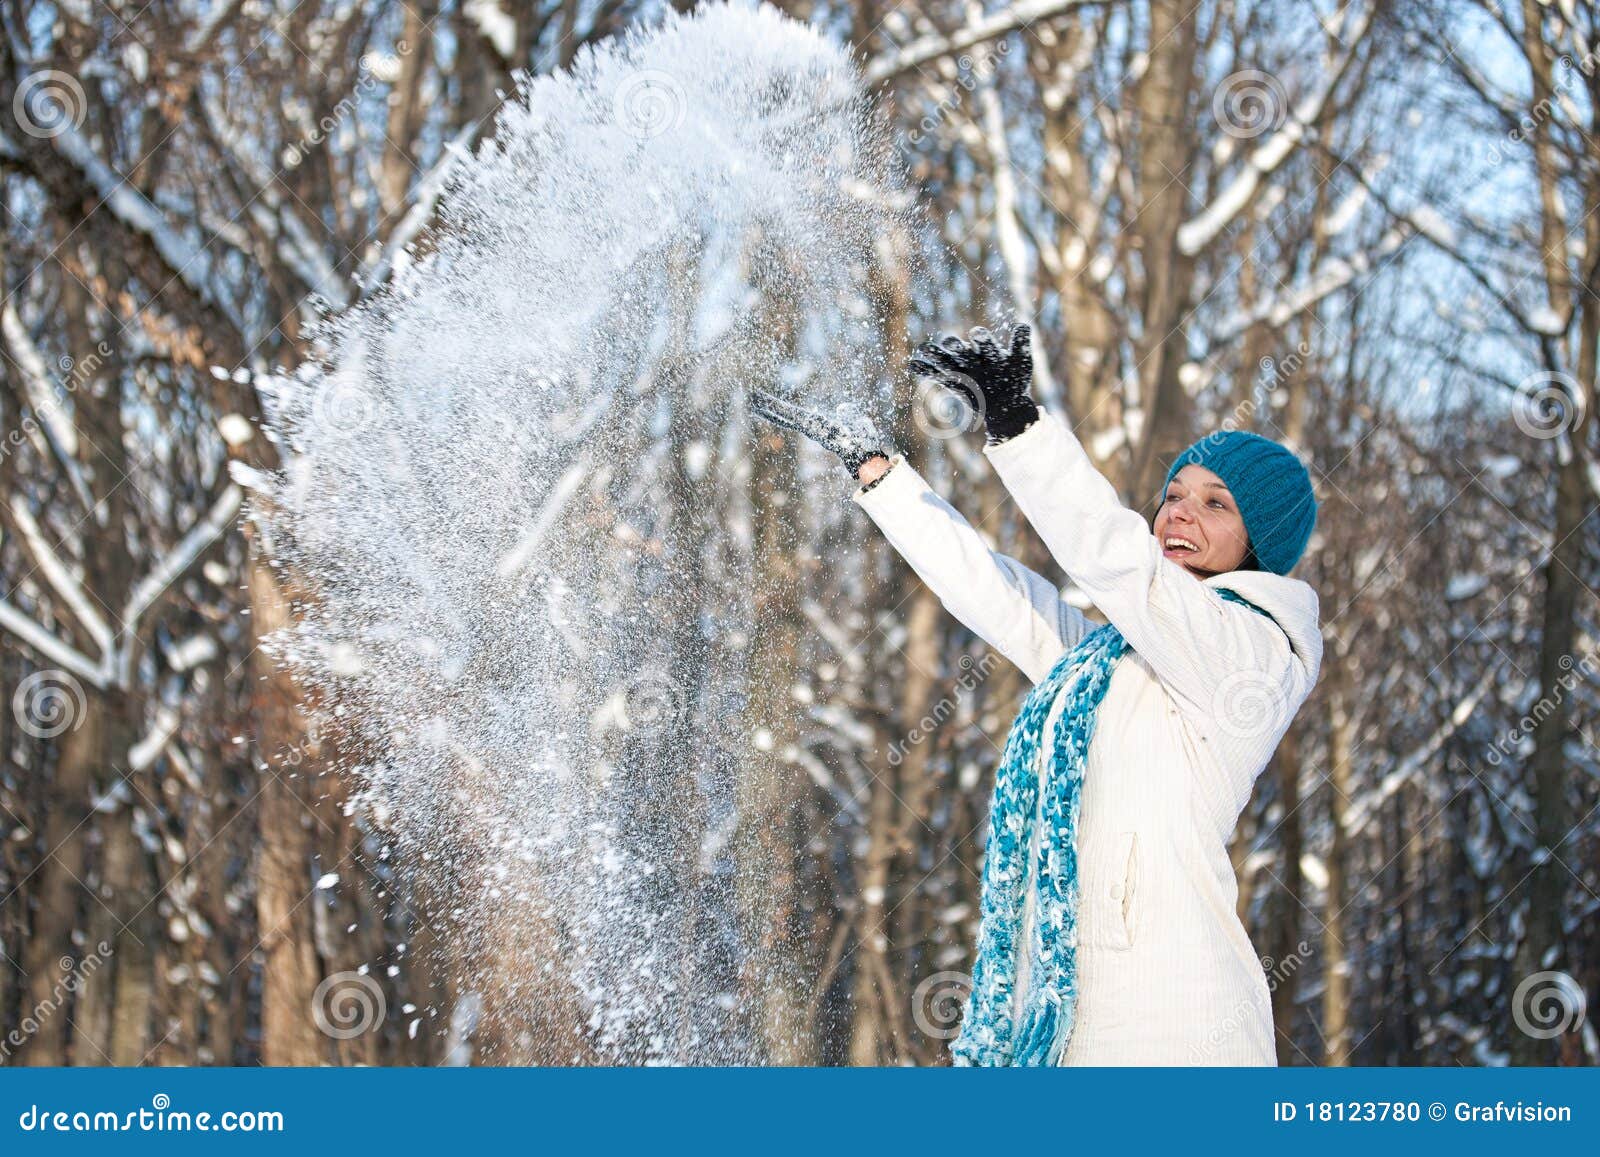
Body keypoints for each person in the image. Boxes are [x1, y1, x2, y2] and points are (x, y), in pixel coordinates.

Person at [749, 322, 1322, 1066]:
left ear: (1260, 543)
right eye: (1174, 494)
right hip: (1073, 1019)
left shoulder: (1249, 656)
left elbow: (1118, 564)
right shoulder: (1112, 666)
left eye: (1216, 504)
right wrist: (880, 474)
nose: (1178, 513)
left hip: (1181, 1032)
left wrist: (1017, 426)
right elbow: (1002, 598)